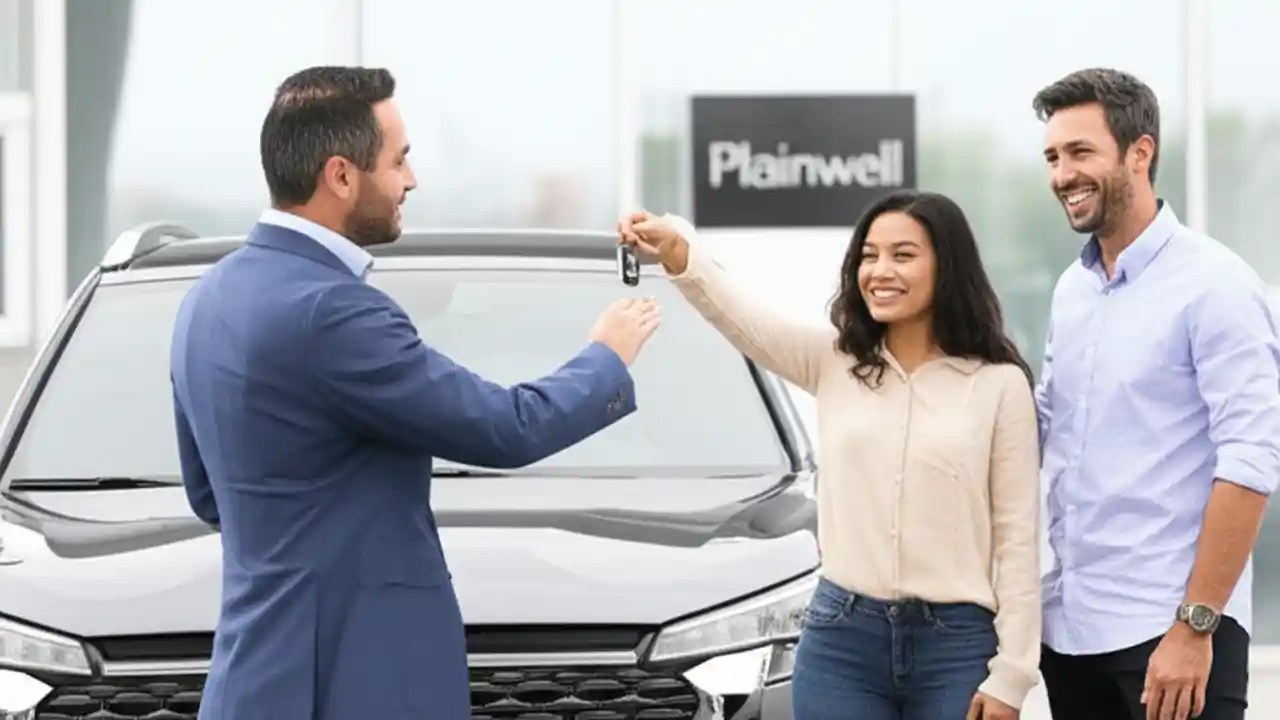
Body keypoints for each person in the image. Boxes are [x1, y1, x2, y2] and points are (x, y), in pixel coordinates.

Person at [169, 66, 661, 720]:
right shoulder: (334, 313)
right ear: (341, 176)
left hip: (250, 685)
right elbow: (505, 427)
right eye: (399, 160)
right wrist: (607, 355)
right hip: (354, 686)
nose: (412, 180)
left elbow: (211, 496)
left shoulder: (205, 299)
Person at [618, 190, 1042, 720]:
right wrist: (681, 251)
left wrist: (1013, 675)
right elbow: (740, 317)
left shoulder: (998, 386)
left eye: (903, 255)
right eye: (869, 255)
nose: (880, 271)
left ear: (948, 267)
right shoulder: (834, 361)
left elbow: (1018, 541)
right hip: (843, 641)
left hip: (957, 647)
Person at [1031, 67, 1280, 720]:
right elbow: (1045, 429)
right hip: (1072, 632)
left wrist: (1195, 626)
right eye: (1054, 157)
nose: (1062, 175)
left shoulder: (1216, 286)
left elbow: (1251, 461)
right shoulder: (1072, 291)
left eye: (1080, 152)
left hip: (1172, 633)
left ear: (1140, 152)